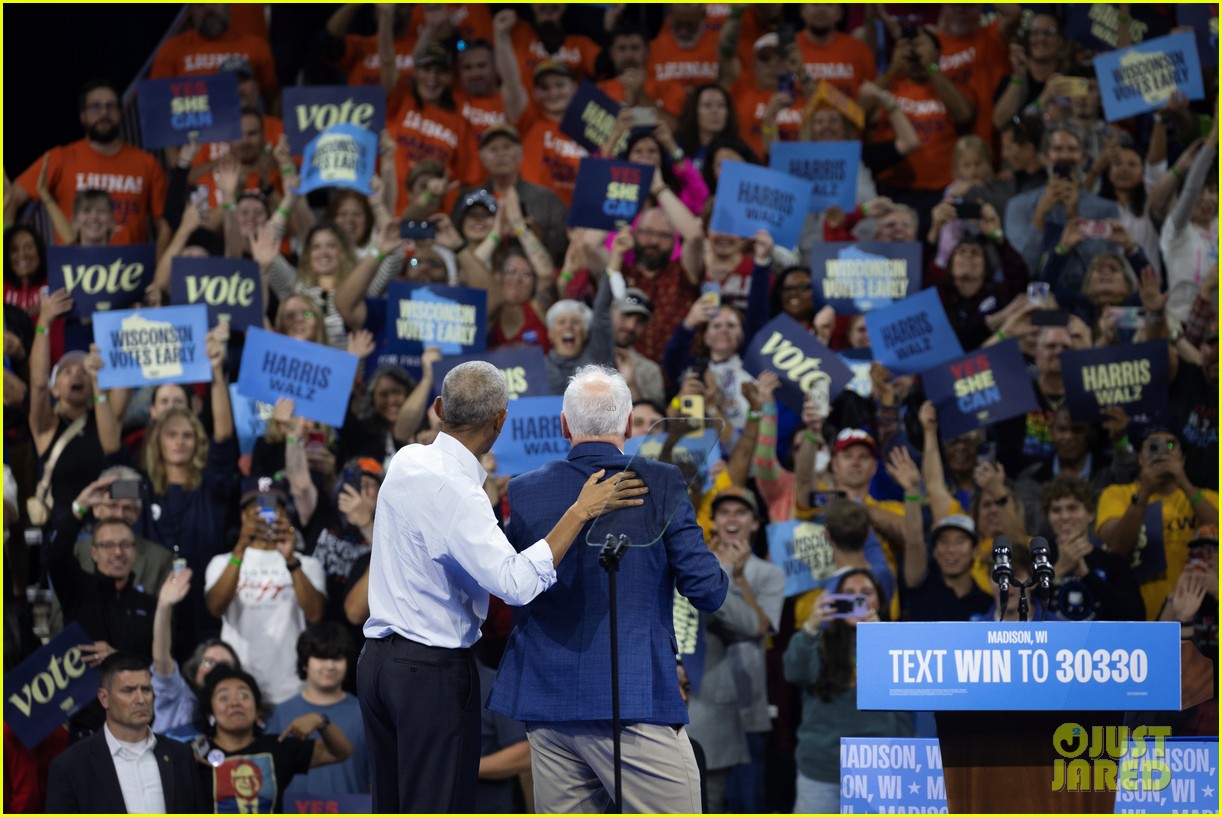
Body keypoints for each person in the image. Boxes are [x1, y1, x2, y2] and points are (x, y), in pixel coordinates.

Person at [357, 360, 647, 812]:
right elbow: (515, 583)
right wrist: (579, 511)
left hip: (376, 667)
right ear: (501, 420)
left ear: (438, 408)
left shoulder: (406, 461)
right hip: (428, 675)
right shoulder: (460, 494)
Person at [488, 365, 729, 813]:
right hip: (634, 700)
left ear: (563, 425)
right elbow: (708, 592)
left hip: (548, 704)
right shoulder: (662, 482)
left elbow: (509, 583)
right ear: (630, 423)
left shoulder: (524, 492)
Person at [784, 569, 913, 813]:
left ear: (880, 601)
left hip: (877, 770)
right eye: (848, 594)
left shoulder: (895, 642)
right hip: (822, 770)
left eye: (866, 593)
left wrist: (881, 638)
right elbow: (795, 673)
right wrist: (811, 626)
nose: (857, 600)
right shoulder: (817, 641)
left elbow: (904, 688)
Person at [205, 479, 327, 705]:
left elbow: (315, 614)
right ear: (243, 516)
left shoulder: (307, 564)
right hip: (238, 685)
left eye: (271, 508)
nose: (265, 517)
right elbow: (215, 607)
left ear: (284, 514)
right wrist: (240, 549)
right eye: (257, 509)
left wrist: (290, 559)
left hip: (290, 686)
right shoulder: (222, 562)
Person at [8, 80, 169, 249]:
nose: (104, 112)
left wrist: (158, 268)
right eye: (95, 107)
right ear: (82, 116)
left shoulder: (147, 163)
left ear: (121, 113)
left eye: (111, 106)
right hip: (74, 269)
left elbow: (163, 225)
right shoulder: (60, 158)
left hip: (131, 269)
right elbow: (11, 199)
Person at [45, 653, 205, 813]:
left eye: (146, 689)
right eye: (129, 691)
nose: (141, 699)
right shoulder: (70, 766)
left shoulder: (181, 756)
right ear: (104, 698)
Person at [1097, 428, 1219, 619]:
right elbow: (1117, 548)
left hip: (1196, 613)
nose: (1162, 452)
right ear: (1139, 458)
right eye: (1153, 446)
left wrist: (1184, 484)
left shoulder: (1207, 497)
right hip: (1135, 612)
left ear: (1183, 458)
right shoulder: (1116, 494)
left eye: (1171, 445)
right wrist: (1144, 492)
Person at [196, 666, 352, 814]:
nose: (235, 703)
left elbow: (340, 752)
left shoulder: (277, 747)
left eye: (244, 695)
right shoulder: (195, 756)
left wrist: (321, 722)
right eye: (224, 697)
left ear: (258, 709)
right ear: (210, 710)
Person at [266, 622, 370, 804]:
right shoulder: (278, 714)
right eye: (321, 657)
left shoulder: (365, 713)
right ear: (305, 663)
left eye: (338, 658)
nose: (330, 665)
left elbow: (376, 776)